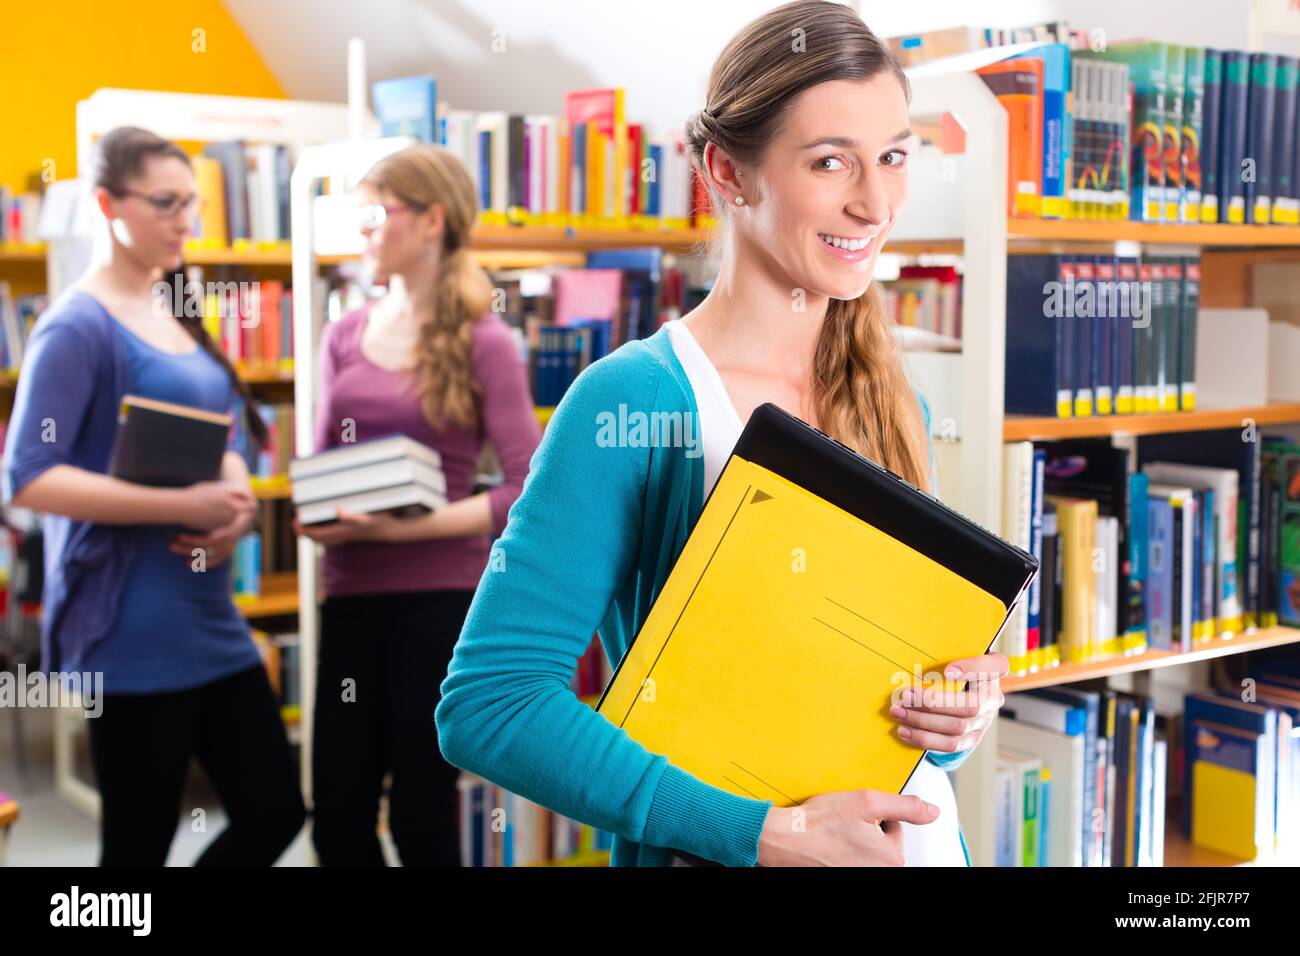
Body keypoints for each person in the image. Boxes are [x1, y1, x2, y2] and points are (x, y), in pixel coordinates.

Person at [436, 0, 1009, 867]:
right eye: (830, 162)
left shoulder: (900, 401)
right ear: (729, 173)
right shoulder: (630, 402)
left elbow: (895, 713)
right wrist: (769, 837)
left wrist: (956, 709)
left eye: (893, 157)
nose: (874, 202)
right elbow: (491, 704)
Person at [0, 126, 305, 866]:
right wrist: (182, 507)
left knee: (276, 810)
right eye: (166, 203)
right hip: (128, 625)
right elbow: (30, 474)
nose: (186, 222)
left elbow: (223, 429)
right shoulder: (75, 326)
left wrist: (231, 498)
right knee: (137, 843)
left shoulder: (175, 304)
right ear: (107, 204)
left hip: (207, 611)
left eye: (191, 204)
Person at [295, 144, 540, 866]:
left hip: (437, 601)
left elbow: (526, 485)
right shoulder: (343, 333)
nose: (362, 230)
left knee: (420, 816)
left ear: (431, 220)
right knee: (336, 815)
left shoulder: (485, 341)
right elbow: (324, 466)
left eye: (375, 212)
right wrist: (316, 511)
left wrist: (410, 532)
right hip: (348, 596)